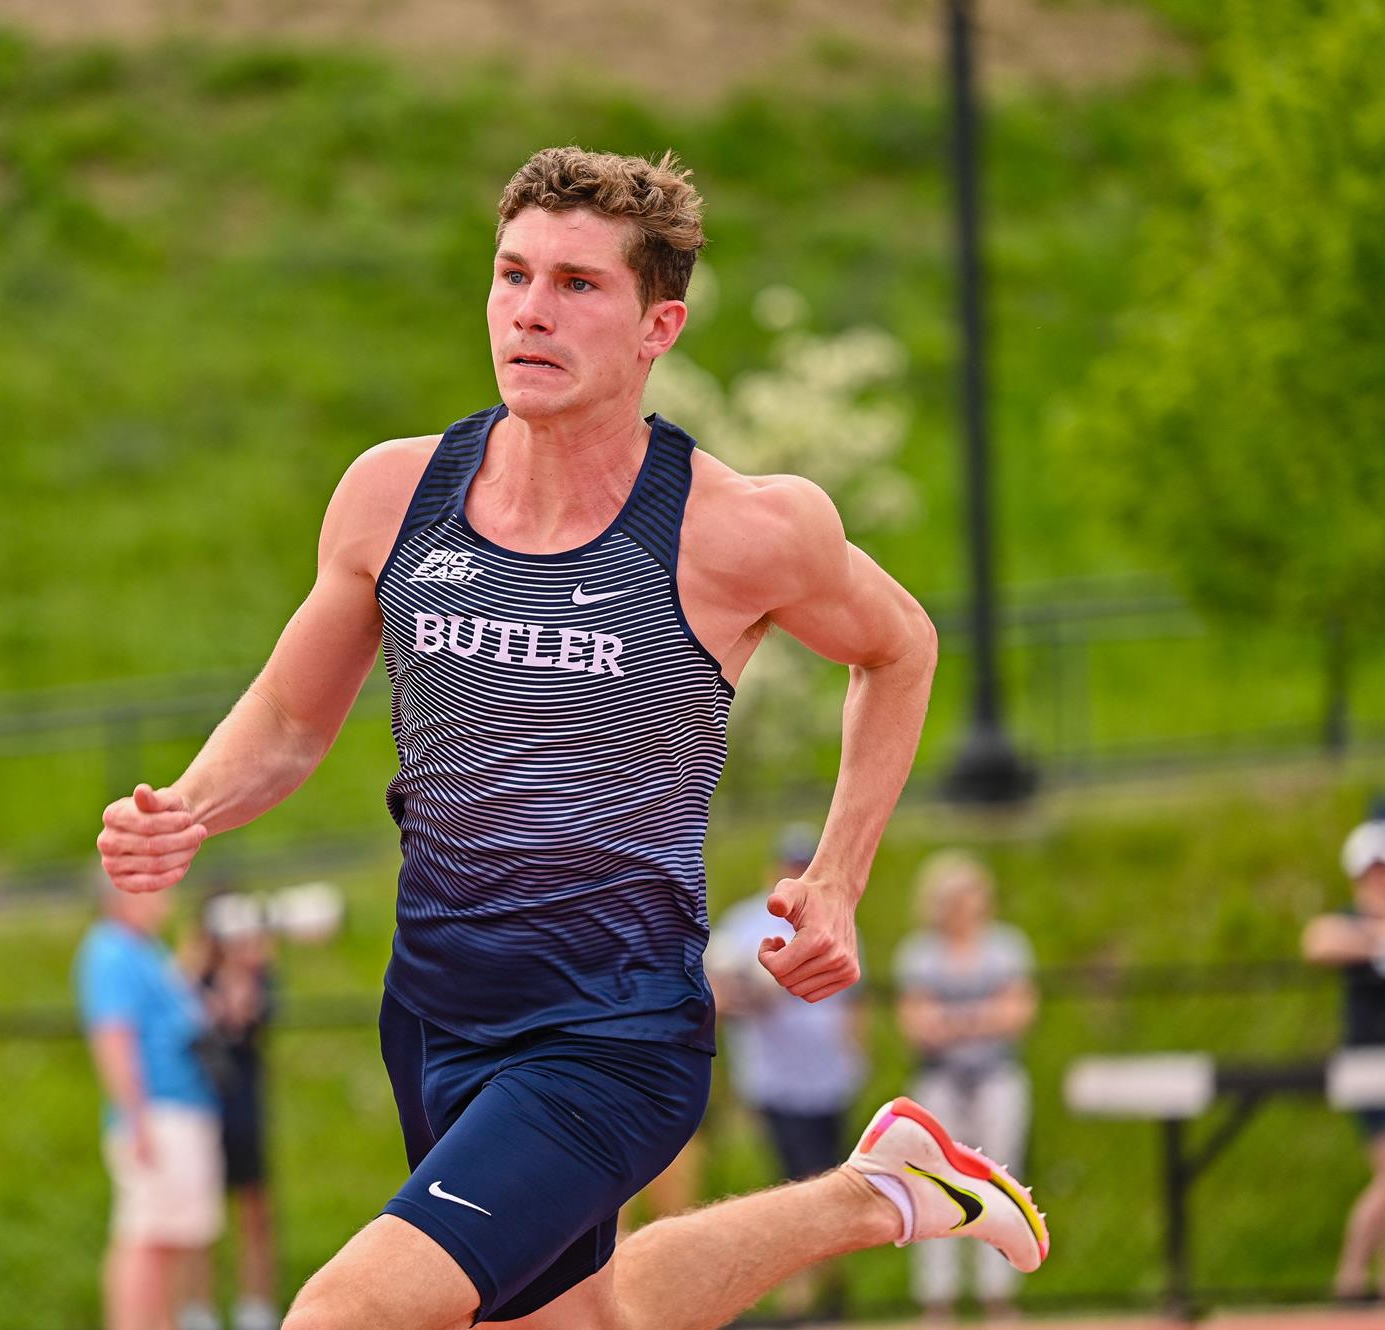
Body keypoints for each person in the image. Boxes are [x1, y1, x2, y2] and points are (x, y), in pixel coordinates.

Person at [99, 146, 1049, 1330]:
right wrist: (188, 804)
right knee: (576, 1322)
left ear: (659, 326)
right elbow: (293, 719)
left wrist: (838, 877)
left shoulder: (736, 528)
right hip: (437, 1011)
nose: (530, 311)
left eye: (576, 285)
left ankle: (875, 1192)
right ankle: (876, 1192)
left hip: (611, 1029)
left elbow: (898, 646)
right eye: (511, 275)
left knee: (343, 1317)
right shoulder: (396, 495)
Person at [706, 824, 871, 1318]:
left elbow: (854, 998)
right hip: (775, 1077)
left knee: (831, 1176)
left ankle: (829, 1285)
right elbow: (717, 993)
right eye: (790, 864)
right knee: (796, 1181)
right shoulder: (741, 924)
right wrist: (749, 997)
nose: (796, 873)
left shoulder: (834, 918)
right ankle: (805, 1292)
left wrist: (857, 1055)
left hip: (829, 1075)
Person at [892, 852, 1038, 1322]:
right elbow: (918, 1024)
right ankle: (939, 1297)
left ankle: (999, 1291)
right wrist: (982, 1018)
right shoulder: (918, 952)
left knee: (1000, 1180)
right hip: (940, 1083)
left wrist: (954, 1020)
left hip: (997, 1078)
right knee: (933, 1183)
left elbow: (1016, 1015)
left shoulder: (1007, 947)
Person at [78, 872, 226, 1330]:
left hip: (180, 1109)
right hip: (157, 1114)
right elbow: (114, 1039)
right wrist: (136, 1118)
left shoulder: (147, 950)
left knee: (169, 1239)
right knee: (143, 1237)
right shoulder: (111, 951)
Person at [1302, 818, 1385, 1303]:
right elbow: (1318, 940)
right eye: (1373, 873)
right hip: (1374, 1068)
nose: (1383, 881)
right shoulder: (1354, 927)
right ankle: (1352, 1276)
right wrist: (1382, 937)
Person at [189, 892, 282, 1330]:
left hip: (245, 1104)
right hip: (203, 1107)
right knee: (198, 1218)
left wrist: (246, 966)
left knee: (254, 1209)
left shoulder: (256, 974)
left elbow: (246, 1017)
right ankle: (198, 1310)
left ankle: (256, 1308)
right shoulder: (192, 978)